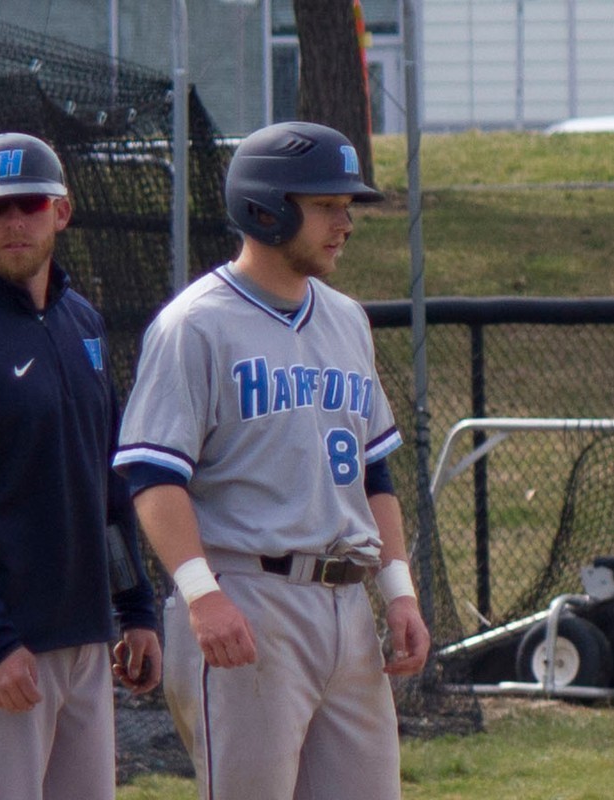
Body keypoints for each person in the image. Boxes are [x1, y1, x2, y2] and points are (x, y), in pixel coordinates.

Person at [113, 121, 430, 800]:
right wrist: (202, 596)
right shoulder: (195, 324)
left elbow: (374, 472)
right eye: (326, 205)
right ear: (267, 207)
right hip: (250, 599)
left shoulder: (347, 319)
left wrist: (398, 592)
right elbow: (152, 476)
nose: (344, 222)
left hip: (348, 606)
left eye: (347, 206)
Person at [0, 132, 161, 800]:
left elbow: (106, 485)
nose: (15, 221)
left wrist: (135, 608)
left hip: (81, 634)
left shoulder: (84, 326)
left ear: (61, 213)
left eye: (30, 205)